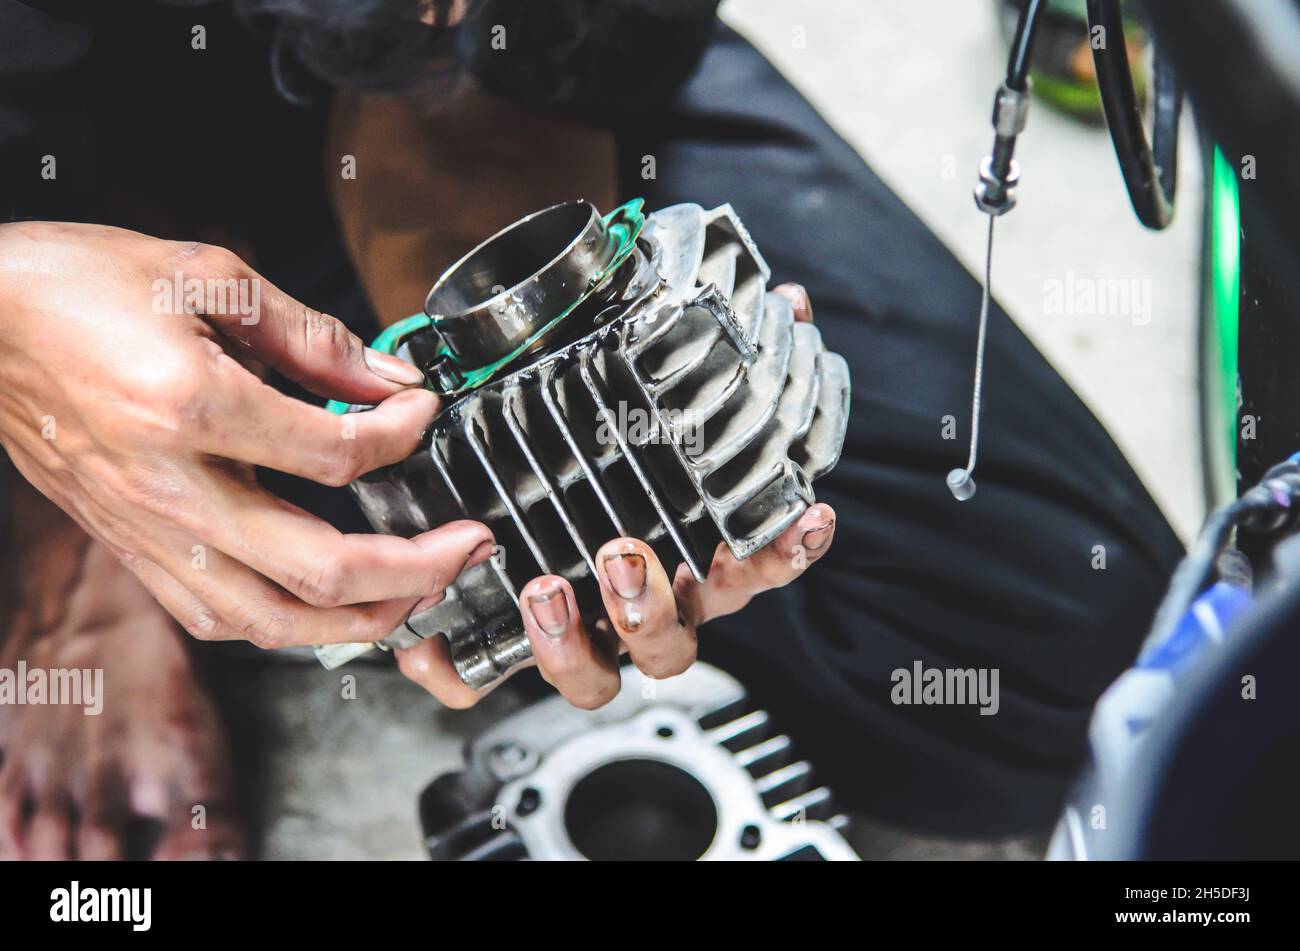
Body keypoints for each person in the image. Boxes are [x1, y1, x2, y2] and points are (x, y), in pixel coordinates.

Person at [0, 0, 1182, 859]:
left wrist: (543, 417)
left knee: (1047, 667)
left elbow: (479, 105)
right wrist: (31, 356)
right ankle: (81, 537)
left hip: (371, 114)